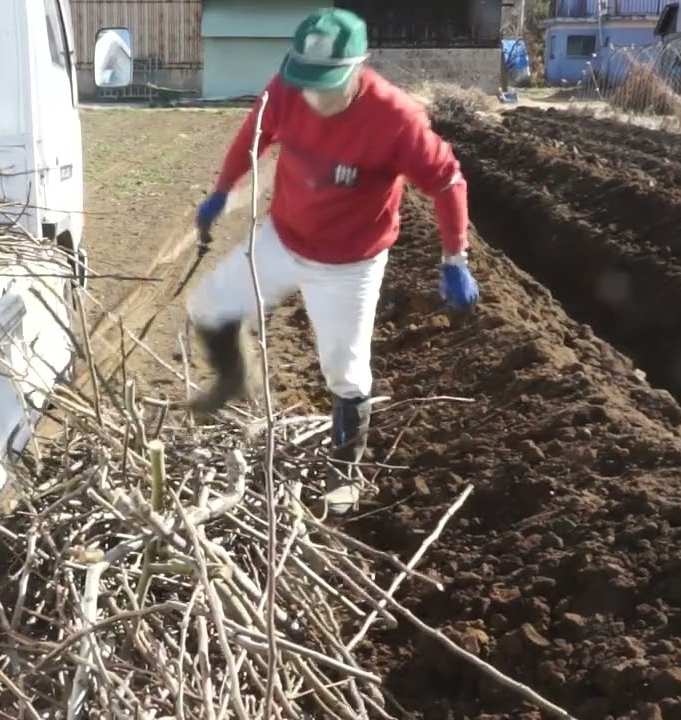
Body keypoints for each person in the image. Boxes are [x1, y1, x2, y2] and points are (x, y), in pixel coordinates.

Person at [183, 7, 479, 514]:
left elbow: (448, 180)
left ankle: (348, 472)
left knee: (345, 370)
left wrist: (455, 255)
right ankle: (234, 382)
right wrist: (221, 190)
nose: (314, 97)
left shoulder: (395, 119)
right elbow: (251, 137)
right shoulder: (286, 89)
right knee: (208, 307)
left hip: (350, 262)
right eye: (307, 82)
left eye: (327, 84)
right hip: (283, 236)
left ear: (357, 68)